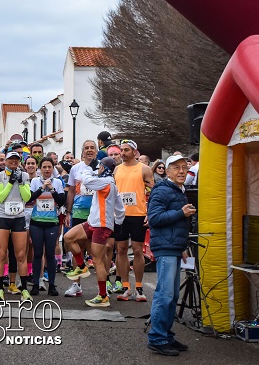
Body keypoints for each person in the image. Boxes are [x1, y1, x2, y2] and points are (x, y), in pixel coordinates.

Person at [147, 155, 196, 356]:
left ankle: (165, 335)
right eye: (176, 168)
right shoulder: (162, 190)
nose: (182, 171)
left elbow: (177, 224)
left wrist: (182, 246)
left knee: (172, 295)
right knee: (165, 294)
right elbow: (155, 218)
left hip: (173, 247)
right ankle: (157, 338)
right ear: (166, 171)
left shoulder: (178, 190)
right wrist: (180, 213)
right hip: (165, 248)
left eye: (184, 167)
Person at [64, 157, 125, 307]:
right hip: (93, 222)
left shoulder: (107, 182)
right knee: (68, 237)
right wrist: (117, 222)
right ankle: (81, 266)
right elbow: (120, 209)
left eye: (100, 167)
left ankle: (103, 295)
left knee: (98, 260)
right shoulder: (110, 183)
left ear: (105, 168)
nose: (98, 169)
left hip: (101, 225)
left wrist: (86, 169)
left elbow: (87, 181)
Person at [113, 139, 154, 302]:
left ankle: (138, 287)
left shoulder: (144, 169)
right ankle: (125, 287)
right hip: (120, 215)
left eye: (126, 150)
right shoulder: (117, 169)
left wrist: (150, 212)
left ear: (134, 152)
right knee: (121, 249)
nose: (122, 153)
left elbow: (152, 192)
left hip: (138, 214)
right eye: (121, 150)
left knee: (137, 250)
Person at [0, 151, 32, 302]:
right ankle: (0, 290)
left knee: (21, 255)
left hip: (18, 217)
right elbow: (0, 197)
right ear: (6, 161)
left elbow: (27, 197)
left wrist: (21, 183)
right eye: (11, 160)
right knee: (1, 254)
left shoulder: (24, 176)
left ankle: (24, 291)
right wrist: (10, 183)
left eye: (16, 160)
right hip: (2, 216)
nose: (13, 162)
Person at [28, 158, 66, 296]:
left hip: (51, 223)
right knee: (37, 254)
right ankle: (36, 285)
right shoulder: (34, 181)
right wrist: (42, 188)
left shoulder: (57, 182)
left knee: (50, 255)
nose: (47, 169)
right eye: (44, 167)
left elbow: (62, 201)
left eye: (49, 167)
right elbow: (30, 198)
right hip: (36, 222)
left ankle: (52, 285)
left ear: (53, 168)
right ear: (40, 169)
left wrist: (52, 189)